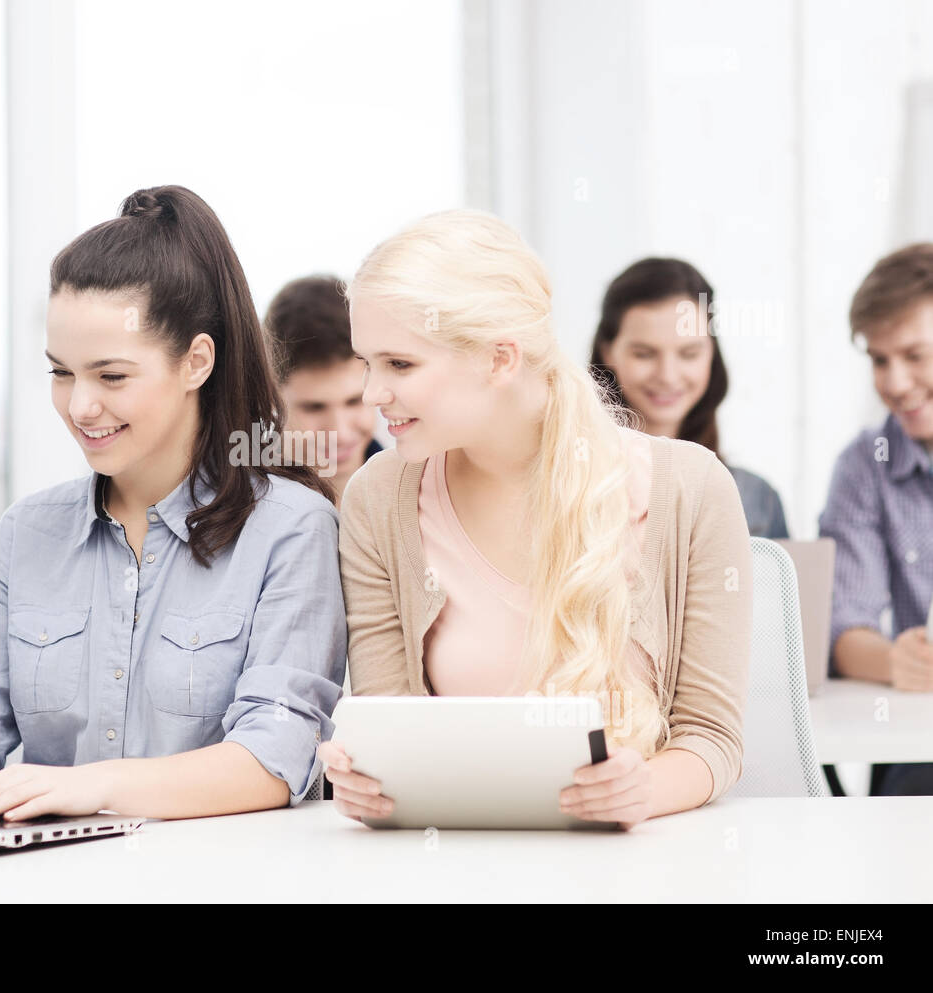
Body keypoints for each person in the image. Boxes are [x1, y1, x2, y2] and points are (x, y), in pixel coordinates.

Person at [319, 210, 752, 831]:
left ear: (499, 360)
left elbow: (712, 737)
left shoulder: (693, 488)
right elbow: (391, 723)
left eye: (400, 365)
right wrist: (371, 785)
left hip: (637, 864)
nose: (371, 395)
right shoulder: (378, 498)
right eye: (368, 363)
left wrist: (642, 790)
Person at [0, 185, 347, 821]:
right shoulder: (21, 537)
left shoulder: (291, 530)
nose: (80, 406)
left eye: (111, 376)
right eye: (62, 372)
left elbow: (275, 754)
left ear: (196, 361)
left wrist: (97, 786)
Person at [819, 242, 933, 796]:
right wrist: (897, 661)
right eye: (879, 359)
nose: (895, 382)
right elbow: (842, 631)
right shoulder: (866, 465)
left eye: (915, 355)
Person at [590, 257, 790, 539]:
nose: (668, 376)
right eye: (644, 354)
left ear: (711, 353)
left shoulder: (756, 501)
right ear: (608, 352)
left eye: (689, 354)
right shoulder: (571, 487)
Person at [263, 275, 383, 508]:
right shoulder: (238, 514)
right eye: (314, 407)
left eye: (354, 401)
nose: (340, 432)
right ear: (270, 397)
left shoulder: (424, 493)